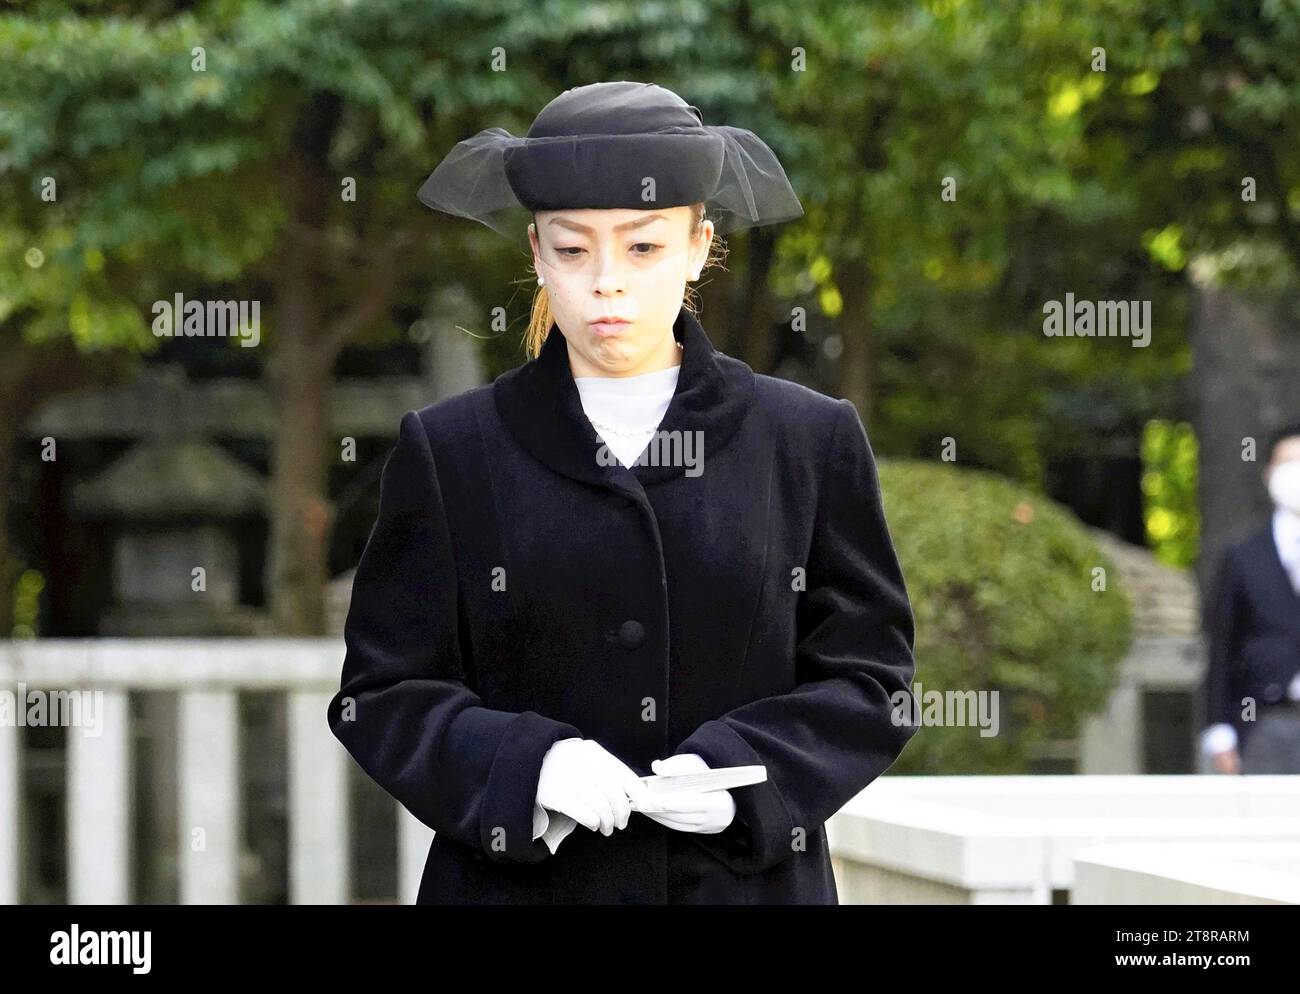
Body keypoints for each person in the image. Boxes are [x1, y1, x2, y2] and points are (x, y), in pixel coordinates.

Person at [327, 81, 919, 904]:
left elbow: (870, 682)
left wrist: (748, 774)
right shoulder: (454, 451)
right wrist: (526, 765)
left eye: (642, 248)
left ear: (697, 245)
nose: (606, 283)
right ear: (536, 252)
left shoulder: (807, 441)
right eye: (573, 251)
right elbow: (382, 696)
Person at [1201, 422, 1300, 775]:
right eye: (1287, 463)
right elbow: (1222, 647)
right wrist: (1220, 729)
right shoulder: (1244, 557)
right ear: (1269, 473)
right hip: (1264, 722)